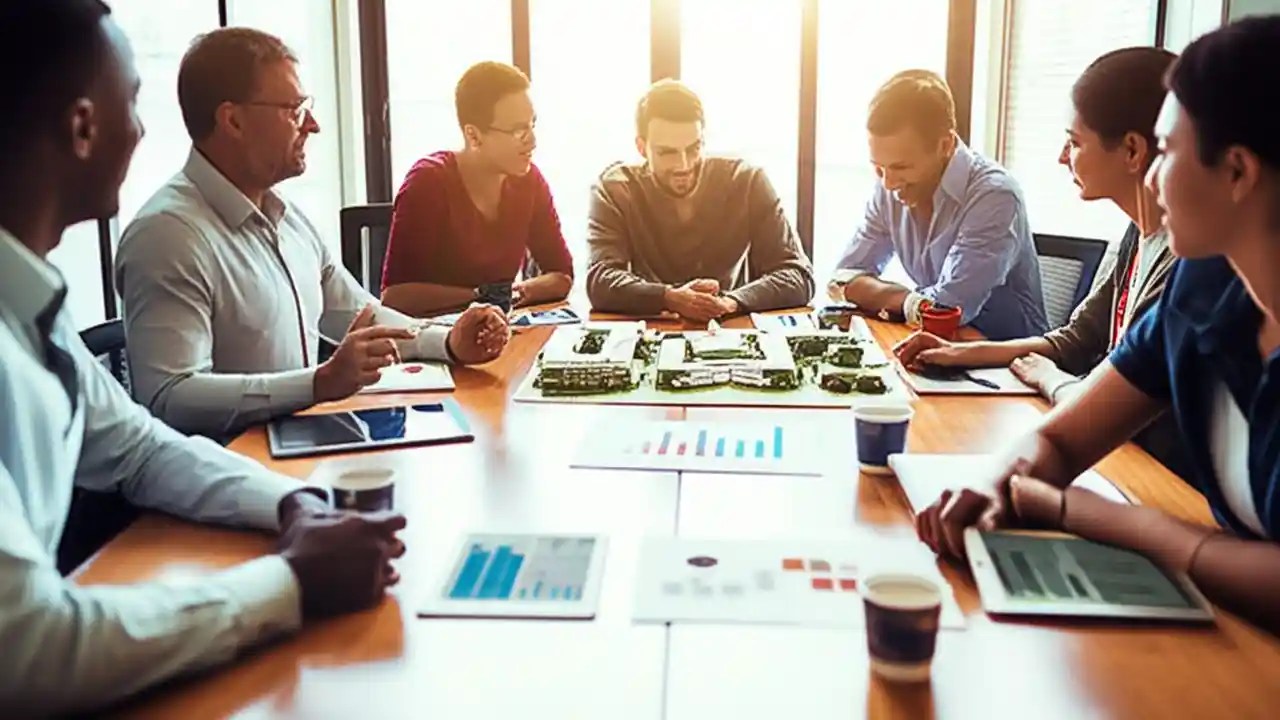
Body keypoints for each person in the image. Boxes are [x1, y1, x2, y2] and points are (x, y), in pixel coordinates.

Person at [0, 3, 405, 713]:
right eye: (132, 103)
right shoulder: (160, 236)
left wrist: (295, 504)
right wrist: (289, 583)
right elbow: (28, 648)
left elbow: (138, 449)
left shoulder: (34, 302)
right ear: (82, 127)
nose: (143, 130)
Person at [917, 16, 1280, 635]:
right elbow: (1060, 440)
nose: (1153, 178)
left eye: (1167, 150)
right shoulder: (1201, 291)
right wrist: (997, 482)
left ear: (1238, 172)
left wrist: (1101, 517)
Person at [115, 28, 509, 441]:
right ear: (233, 120)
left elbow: (360, 315)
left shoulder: (288, 219)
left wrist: (449, 342)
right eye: (294, 109)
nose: (313, 125)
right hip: (233, 465)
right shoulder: (167, 236)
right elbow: (170, 396)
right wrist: (318, 383)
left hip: (303, 446)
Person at [894, 48, 1189, 477]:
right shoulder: (1136, 235)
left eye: (1074, 142)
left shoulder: (1185, 262)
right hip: (1117, 457)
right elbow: (1076, 341)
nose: (1062, 157)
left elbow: (1117, 404)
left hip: (1152, 472)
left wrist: (1049, 377)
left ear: (1131, 150)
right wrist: (959, 352)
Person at [827, 69, 1046, 341]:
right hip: (940, 344)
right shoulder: (889, 186)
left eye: (901, 167)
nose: (888, 184)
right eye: (879, 168)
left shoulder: (995, 196)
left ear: (945, 145)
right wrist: (912, 303)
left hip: (1008, 356)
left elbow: (948, 309)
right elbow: (842, 279)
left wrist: (885, 297)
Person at [586, 79, 815, 321]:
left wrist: (730, 302)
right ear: (642, 148)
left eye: (693, 148)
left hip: (729, 327)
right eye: (667, 152)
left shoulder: (746, 181)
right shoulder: (615, 189)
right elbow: (600, 281)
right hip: (654, 331)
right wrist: (670, 298)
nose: (683, 165)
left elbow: (798, 275)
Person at [380, 61, 574, 317]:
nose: (533, 141)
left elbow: (561, 274)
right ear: (473, 136)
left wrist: (510, 294)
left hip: (496, 329)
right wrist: (484, 296)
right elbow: (395, 297)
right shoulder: (429, 182)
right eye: (518, 131)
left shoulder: (529, 182)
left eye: (532, 125)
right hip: (435, 334)